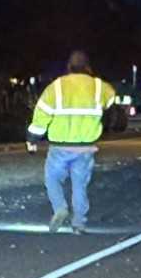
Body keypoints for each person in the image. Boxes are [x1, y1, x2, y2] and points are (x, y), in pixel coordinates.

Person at [26, 51, 117, 234]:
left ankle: (60, 207)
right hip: (85, 146)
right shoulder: (100, 87)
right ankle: (79, 224)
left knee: (52, 179)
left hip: (60, 146)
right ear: (88, 68)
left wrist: (32, 139)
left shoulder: (56, 87)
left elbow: (41, 114)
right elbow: (111, 103)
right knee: (79, 186)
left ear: (69, 67)